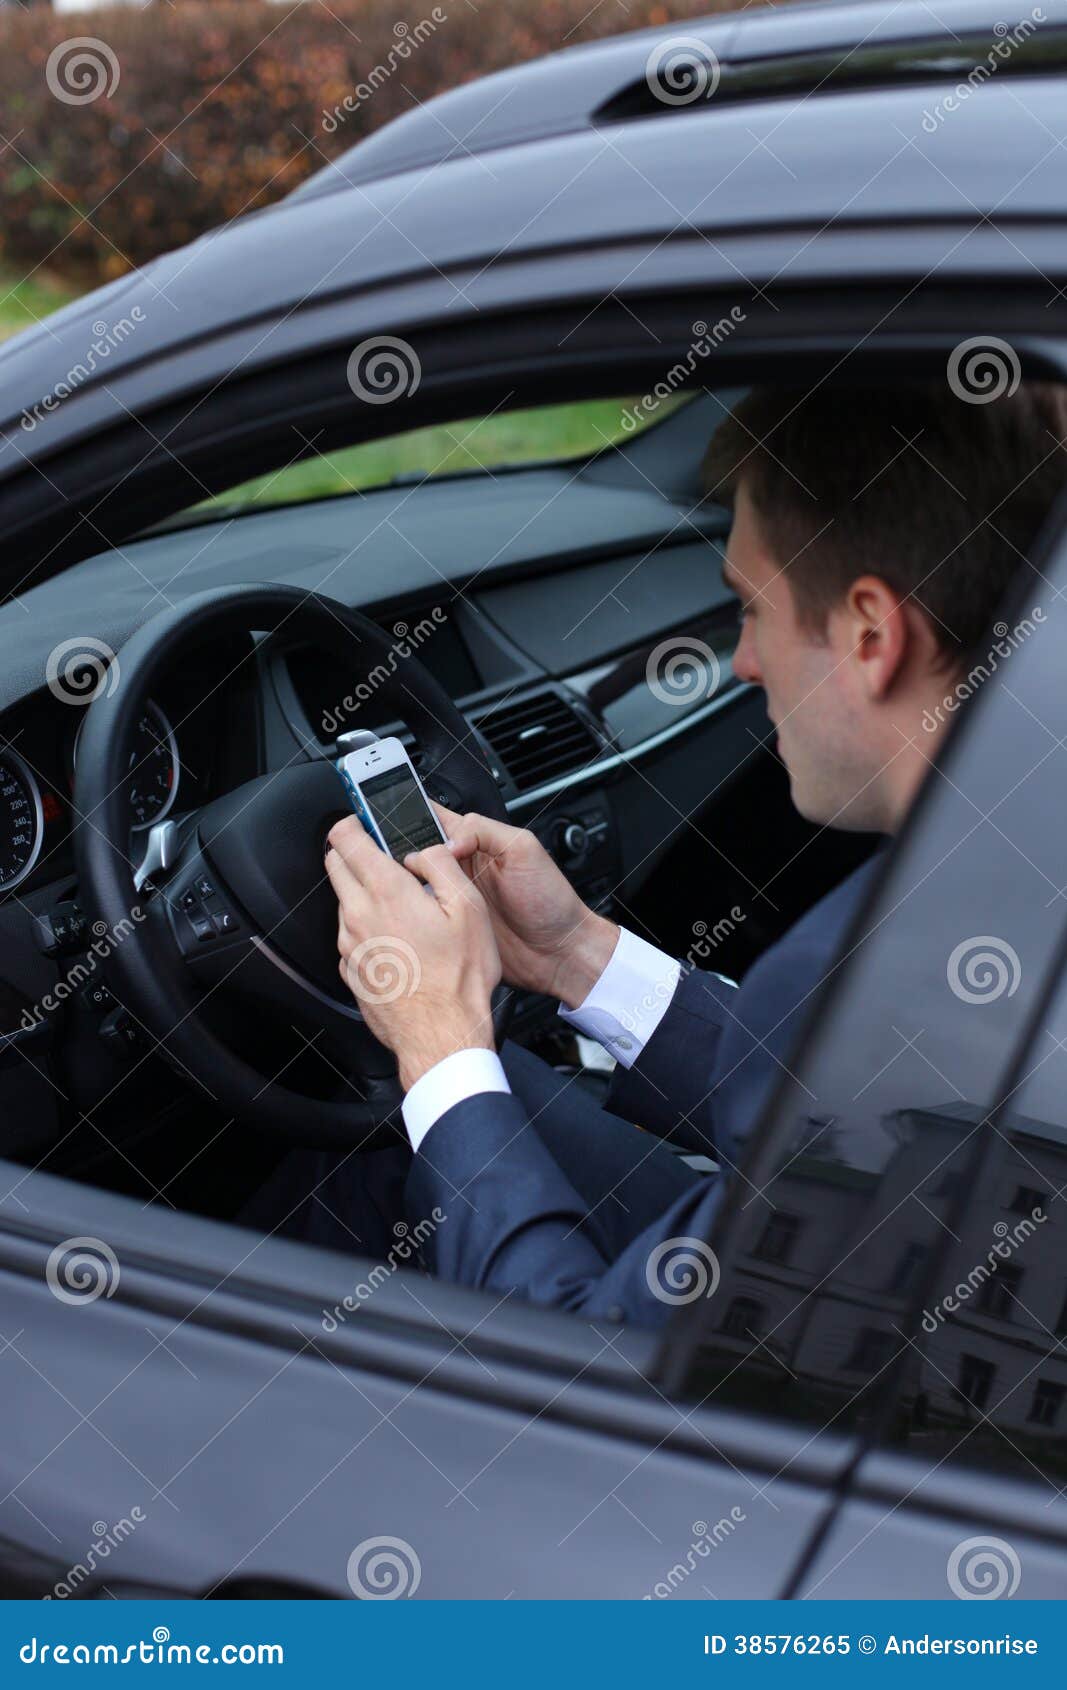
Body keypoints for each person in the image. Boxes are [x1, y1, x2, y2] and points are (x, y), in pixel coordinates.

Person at [256, 381, 1067, 1326]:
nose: (742, 663)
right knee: (446, 1117)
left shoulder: (890, 975)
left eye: (751, 609)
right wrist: (572, 956)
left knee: (424, 1113)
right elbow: (834, 1110)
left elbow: (590, 1380)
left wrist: (437, 1039)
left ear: (872, 635)